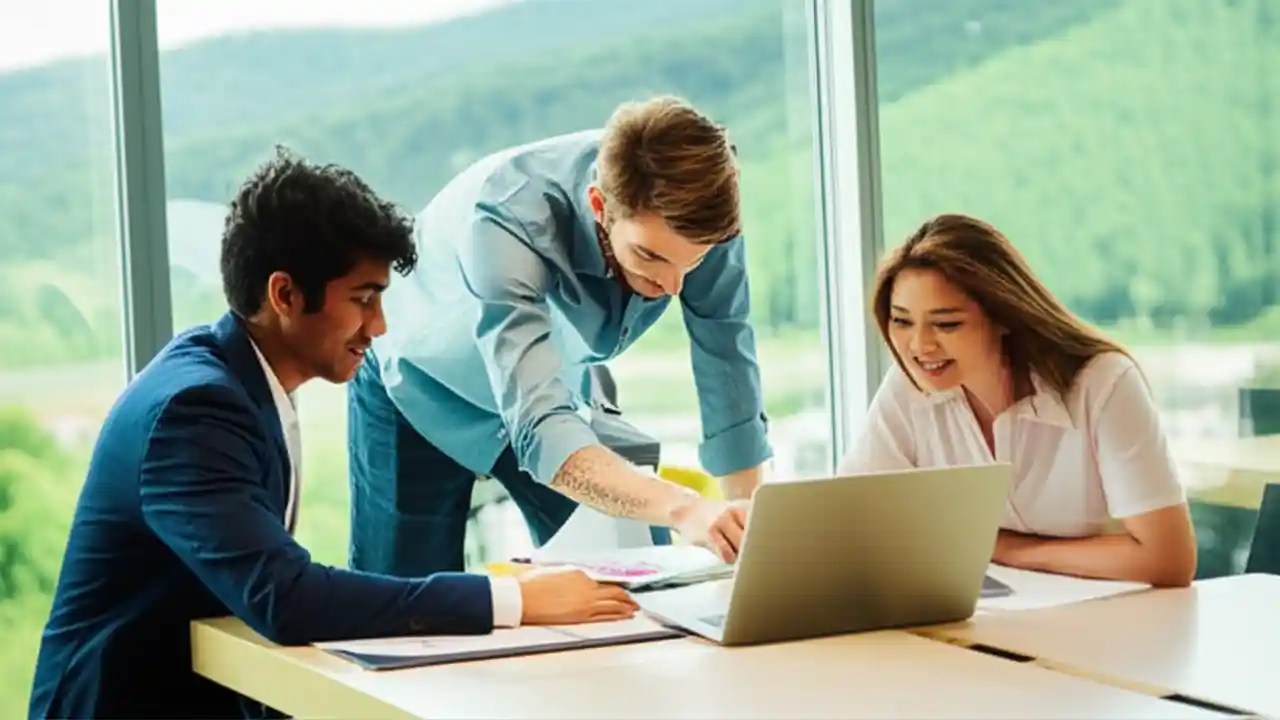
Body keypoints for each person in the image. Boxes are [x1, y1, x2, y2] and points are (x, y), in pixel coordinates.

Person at [28, 150, 634, 720]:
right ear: (284, 294)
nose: (379, 325)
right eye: (362, 299)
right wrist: (513, 601)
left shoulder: (236, 381)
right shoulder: (196, 410)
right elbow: (283, 597)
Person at [349, 96, 771, 577]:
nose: (674, 286)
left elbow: (728, 367)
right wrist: (687, 508)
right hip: (419, 383)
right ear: (599, 206)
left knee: (647, 570)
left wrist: (750, 529)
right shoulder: (509, 218)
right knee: (405, 607)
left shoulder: (702, 217)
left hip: (556, 388)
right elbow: (542, 430)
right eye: (651, 258)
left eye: (690, 263)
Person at [838, 213, 1197, 587]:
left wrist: (1009, 550)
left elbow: (1168, 559)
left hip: (1114, 623)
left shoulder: (1103, 382)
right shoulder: (909, 386)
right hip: (989, 620)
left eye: (947, 324)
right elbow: (853, 521)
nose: (919, 346)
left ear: (1004, 316)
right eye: (902, 321)